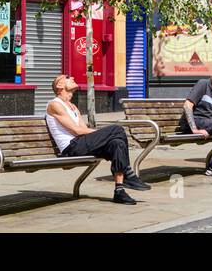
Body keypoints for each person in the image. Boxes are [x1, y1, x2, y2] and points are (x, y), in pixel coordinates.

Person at [46, 75, 147, 204]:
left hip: (80, 143)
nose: (71, 77)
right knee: (117, 130)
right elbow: (77, 131)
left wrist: (102, 136)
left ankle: (119, 191)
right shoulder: (55, 104)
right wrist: (103, 134)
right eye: (66, 77)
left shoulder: (72, 107)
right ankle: (128, 172)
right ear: (59, 86)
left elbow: (82, 129)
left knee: (117, 143)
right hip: (71, 148)